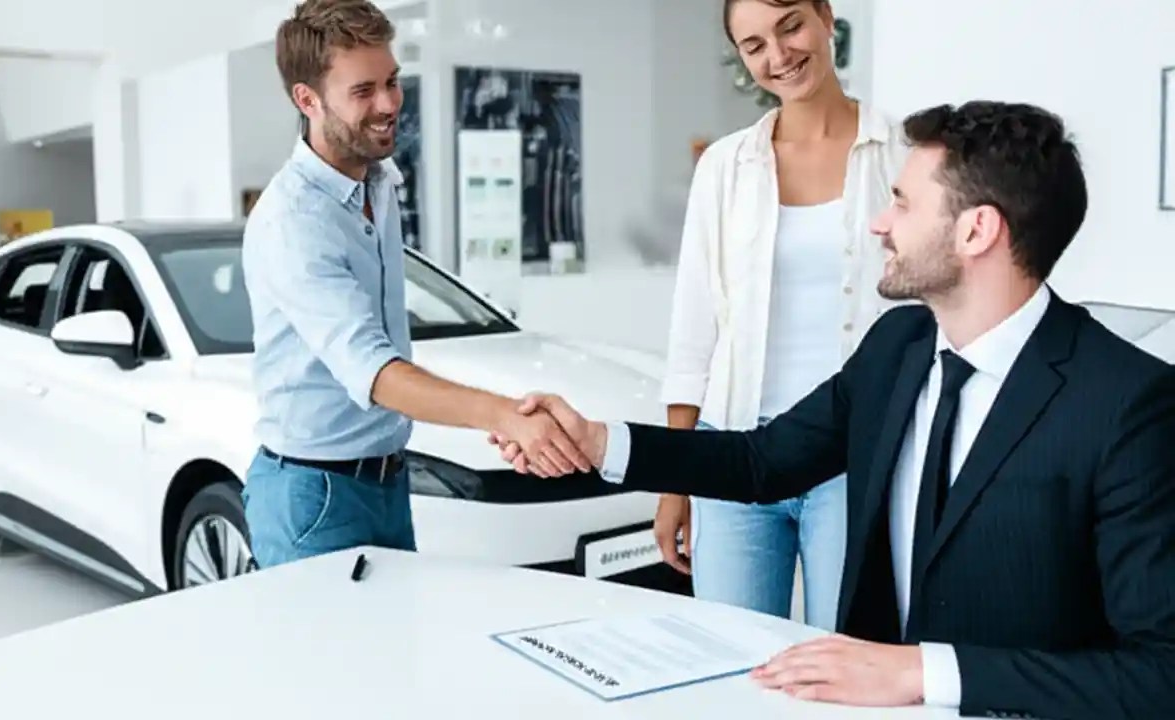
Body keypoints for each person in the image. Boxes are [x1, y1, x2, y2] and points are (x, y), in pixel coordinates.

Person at [495, 101, 1175, 718]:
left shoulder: (1130, 405)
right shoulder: (898, 345)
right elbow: (762, 462)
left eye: (902, 204)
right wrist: (598, 442)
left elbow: (1160, 672)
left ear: (976, 231)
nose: (880, 223)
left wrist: (921, 671)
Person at [240, 0, 590, 570]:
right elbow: (373, 369)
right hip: (313, 497)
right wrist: (502, 415)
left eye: (392, 81)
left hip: (386, 480)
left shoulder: (378, 181)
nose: (388, 104)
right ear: (307, 100)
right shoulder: (293, 221)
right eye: (363, 91)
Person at [655, 0, 907, 632]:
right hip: (735, 449)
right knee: (731, 658)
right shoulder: (725, 166)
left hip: (853, 457)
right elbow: (694, 330)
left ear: (825, 16)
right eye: (754, 45)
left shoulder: (902, 154)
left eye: (791, 25)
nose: (779, 55)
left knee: (842, 656)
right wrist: (676, 479)